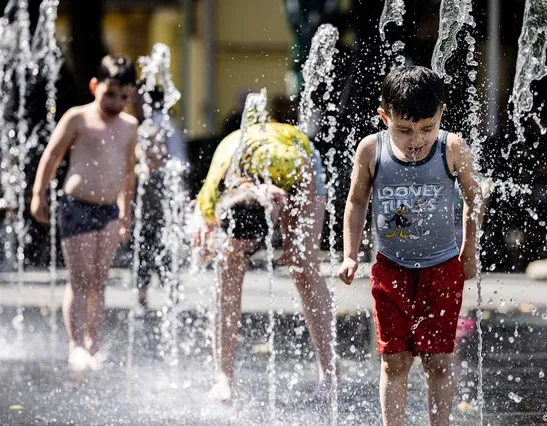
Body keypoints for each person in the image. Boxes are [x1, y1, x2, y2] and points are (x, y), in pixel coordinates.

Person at [338, 66, 481, 426]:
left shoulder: (451, 147)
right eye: (403, 130)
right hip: (391, 268)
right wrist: (350, 254)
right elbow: (356, 202)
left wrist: (469, 250)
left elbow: (473, 198)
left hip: (442, 268)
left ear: (440, 115)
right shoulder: (372, 150)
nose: (416, 139)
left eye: (426, 128)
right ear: (384, 117)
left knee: (438, 360)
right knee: (394, 359)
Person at [193, 120, 335, 403]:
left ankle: (329, 374)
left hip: (301, 162)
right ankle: (223, 378)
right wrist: (207, 243)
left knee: (303, 266)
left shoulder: (288, 163)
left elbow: (306, 174)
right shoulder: (213, 198)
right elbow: (202, 238)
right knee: (227, 270)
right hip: (241, 165)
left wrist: (296, 238)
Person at [30, 55, 138, 371]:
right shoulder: (78, 118)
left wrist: (125, 213)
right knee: (79, 280)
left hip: (108, 211)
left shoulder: (130, 126)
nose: (116, 102)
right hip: (76, 206)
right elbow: (52, 156)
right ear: (95, 86)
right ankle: (75, 346)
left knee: (99, 282)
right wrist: (38, 194)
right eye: (110, 94)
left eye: (124, 96)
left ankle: (93, 342)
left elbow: (127, 173)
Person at [132, 85, 190, 317]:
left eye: (137, 99)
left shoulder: (155, 124)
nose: (133, 103)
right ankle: (170, 296)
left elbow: (159, 159)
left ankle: (153, 297)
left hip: (158, 189)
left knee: (151, 242)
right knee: (161, 243)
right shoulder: (167, 122)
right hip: (164, 189)